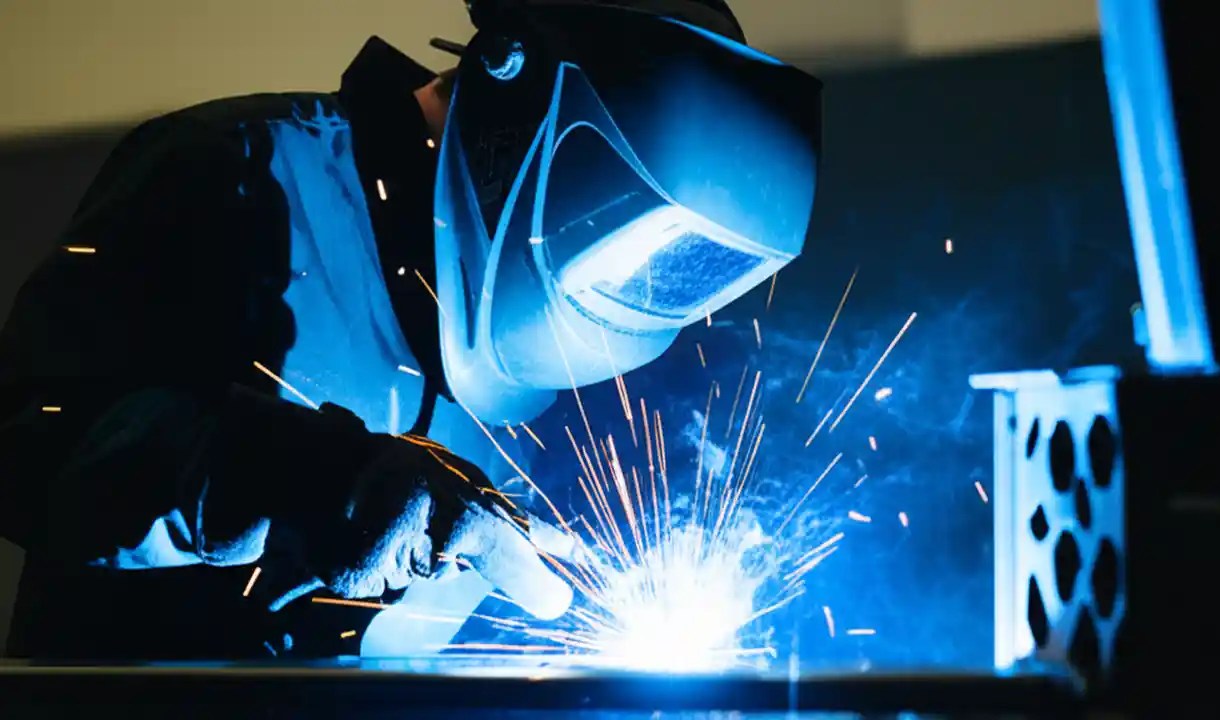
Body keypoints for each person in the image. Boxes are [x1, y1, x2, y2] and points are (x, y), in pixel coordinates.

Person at [0, 0, 820, 660]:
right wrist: (305, 476)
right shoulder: (234, 169)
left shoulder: (545, 332)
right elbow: (25, 440)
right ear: (520, 95)